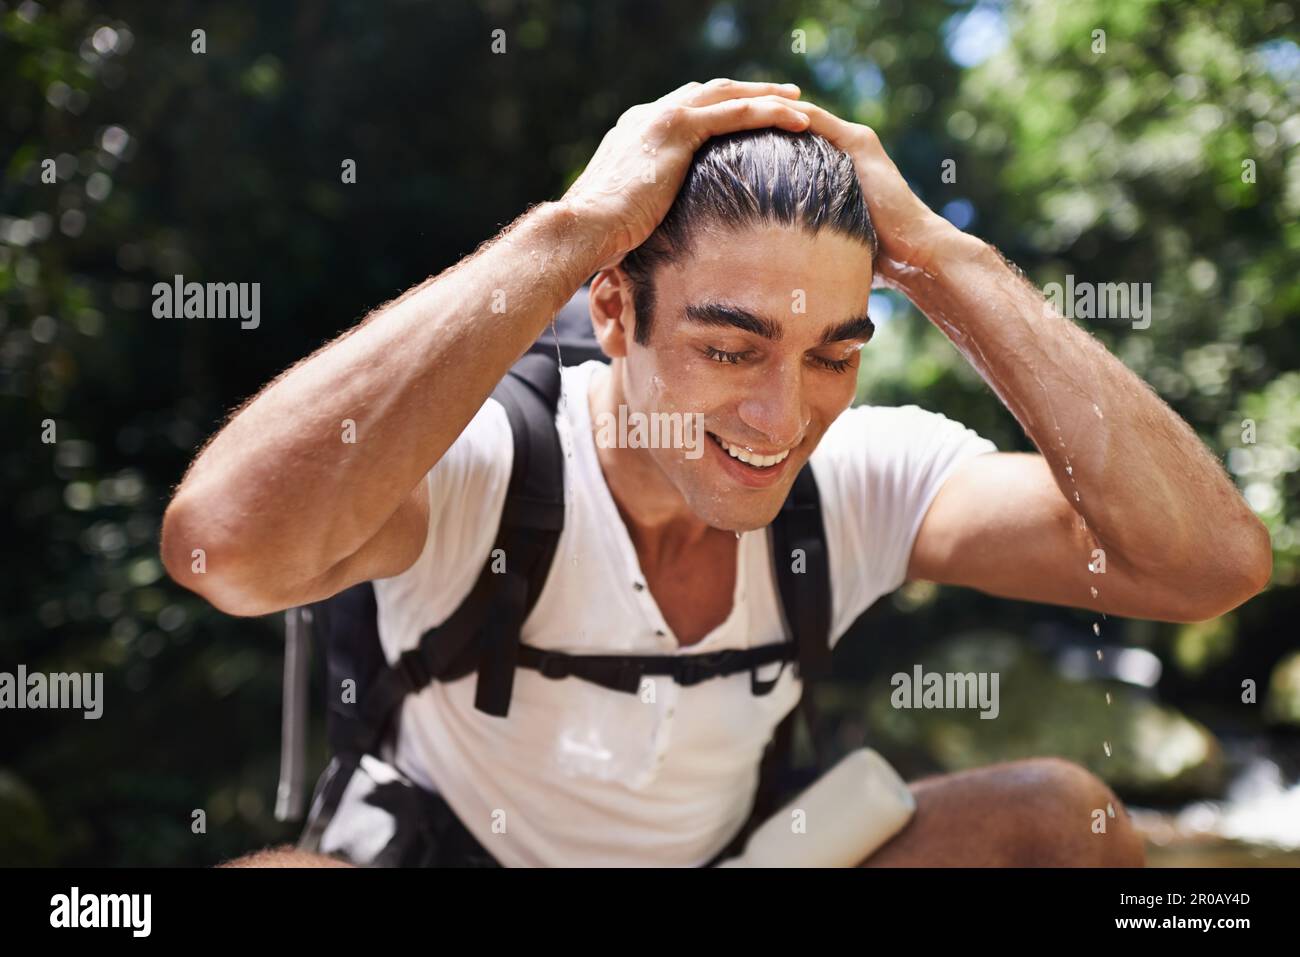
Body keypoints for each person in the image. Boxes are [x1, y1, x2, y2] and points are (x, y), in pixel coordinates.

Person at [163, 79, 1270, 867]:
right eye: (729, 350)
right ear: (613, 312)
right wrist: (579, 225)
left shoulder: (862, 472)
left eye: (832, 353)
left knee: (1055, 818)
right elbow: (226, 548)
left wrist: (944, 258)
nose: (780, 417)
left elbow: (1204, 570)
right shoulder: (492, 463)